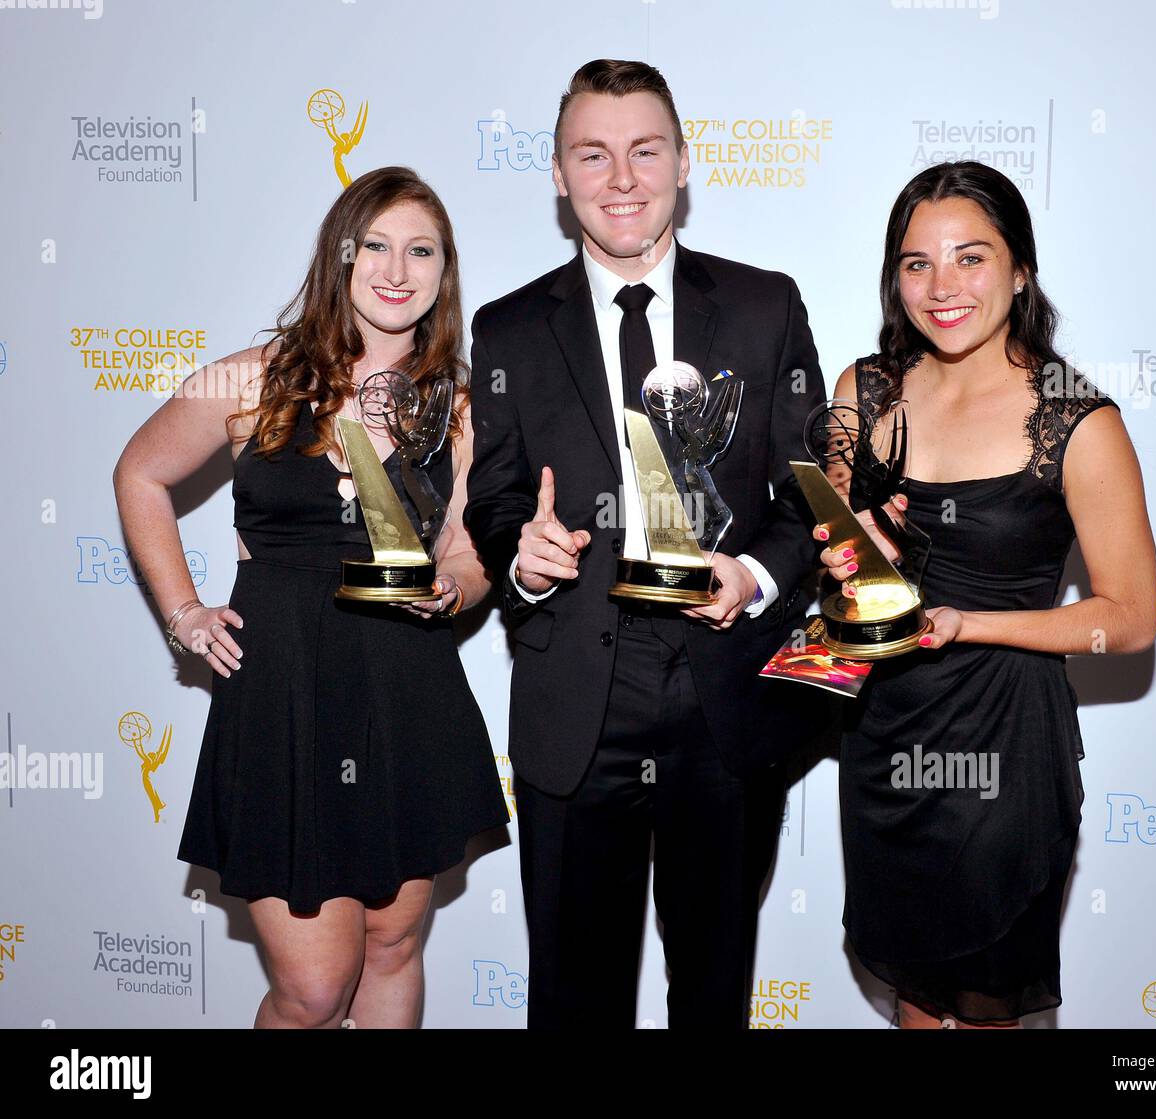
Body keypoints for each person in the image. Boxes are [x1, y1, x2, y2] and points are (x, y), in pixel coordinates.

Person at [464, 59, 826, 1029]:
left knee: (712, 997)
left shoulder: (764, 309)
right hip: (577, 702)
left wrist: (750, 573)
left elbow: (811, 497)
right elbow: (493, 502)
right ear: (556, 173)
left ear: (682, 162)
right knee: (575, 1005)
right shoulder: (506, 330)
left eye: (643, 151)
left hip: (724, 696)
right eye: (593, 154)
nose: (620, 178)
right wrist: (520, 557)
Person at [113, 166, 509, 1028]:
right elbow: (139, 472)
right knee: (314, 989)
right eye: (375, 245)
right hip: (284, 696)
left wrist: (452, 588)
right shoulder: (255, 379)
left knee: (395, 946)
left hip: (407, 691)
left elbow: (470, 552)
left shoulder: (461, 406)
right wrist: (184, 611)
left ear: (445, 273)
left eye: (421, 251)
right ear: (340, 254)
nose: (396, 270)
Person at [816, 161, 1156, 1029]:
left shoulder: (1079, 419)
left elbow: (1129, 618)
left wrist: (974, 623)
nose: (943, 286)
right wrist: (855, 548)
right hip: (885, 736)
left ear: (1020, 270)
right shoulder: (866, 391)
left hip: (1006, 743)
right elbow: (840, 568)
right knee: (917, 1004)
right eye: (917, 262)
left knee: (985, 1002)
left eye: (971, 258)